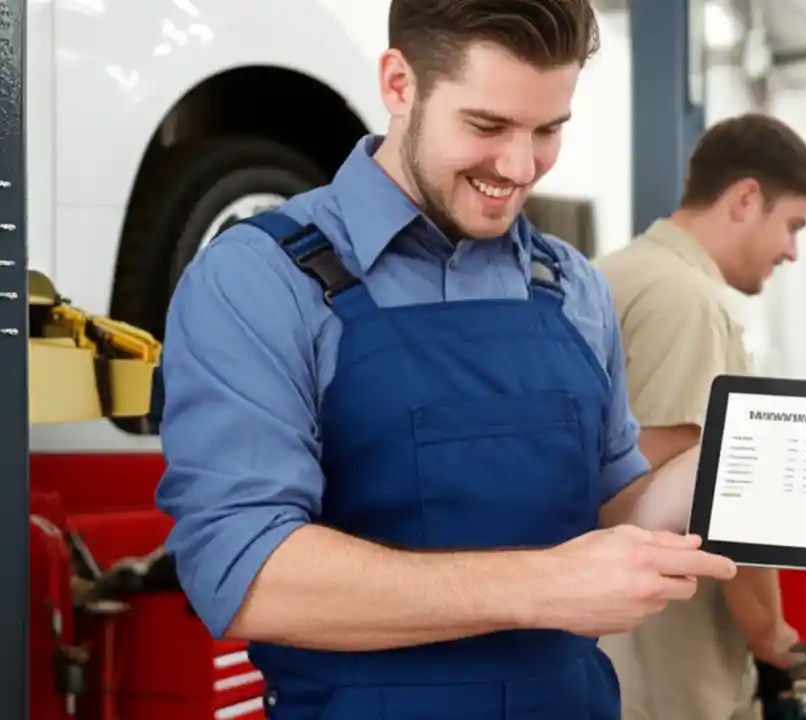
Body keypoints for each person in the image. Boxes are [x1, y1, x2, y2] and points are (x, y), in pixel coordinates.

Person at [152, 2, 747, 717]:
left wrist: (724, 459)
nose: (520, 166)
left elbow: (610, 504)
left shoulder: (572, 287)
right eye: (487, 126)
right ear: (400, 85)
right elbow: (244, 573)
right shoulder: (260, 278)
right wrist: (542, 586)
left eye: (548, 129)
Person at [595, 113, 806, 720]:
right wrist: (768, 629)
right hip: (669, 649)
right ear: (746, 198)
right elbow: (684, 486)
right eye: (792, 225)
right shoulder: (686, 299)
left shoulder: (613, 273)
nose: (791, 250)